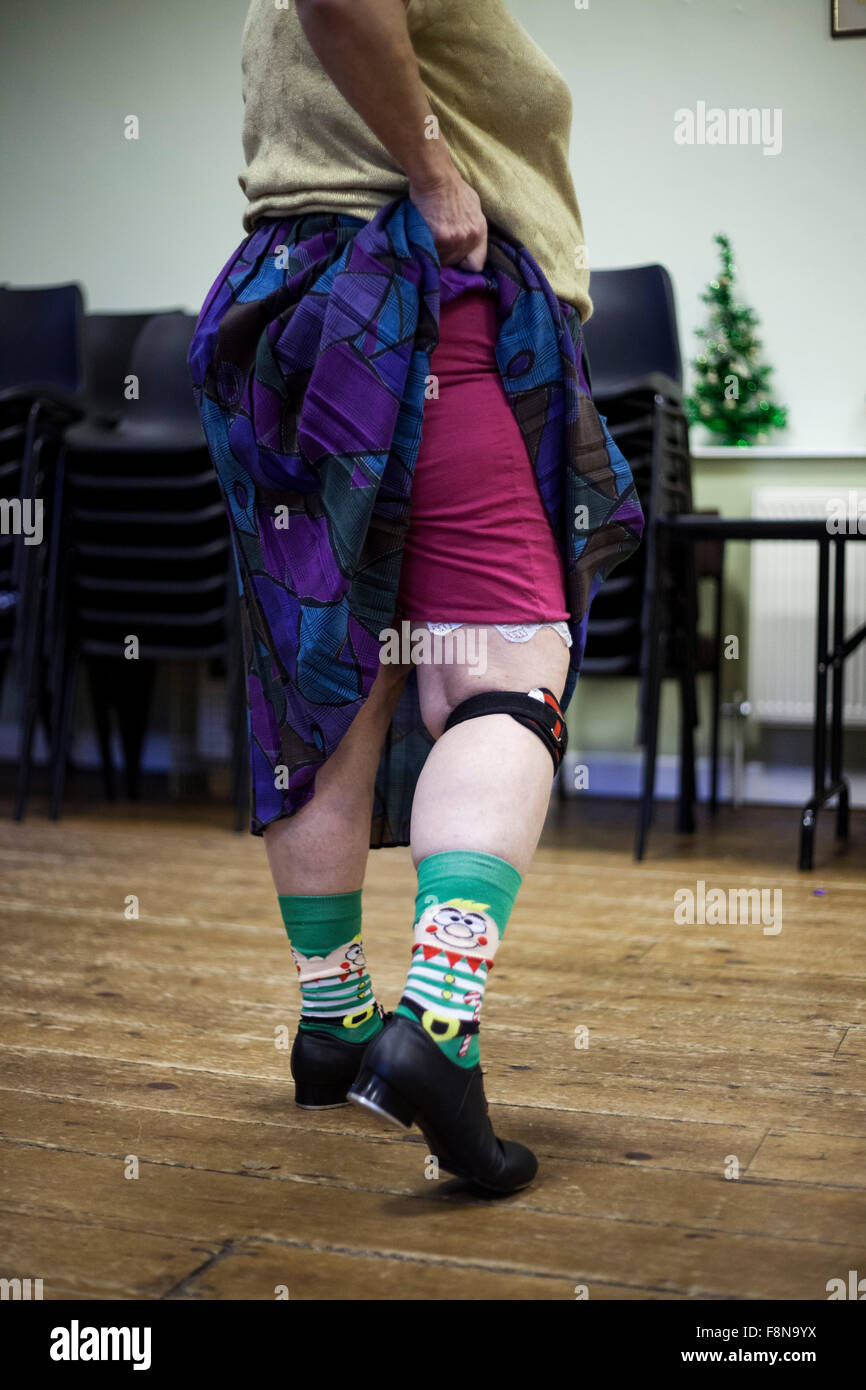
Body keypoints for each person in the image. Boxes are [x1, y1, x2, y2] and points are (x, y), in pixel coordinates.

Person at [188, 0, 643, 1195]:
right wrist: (441, 175)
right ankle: (435, 1034)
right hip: (414, 307)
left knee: (341, 675)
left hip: (290, 303)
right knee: (501, 667)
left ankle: (334, 1020)